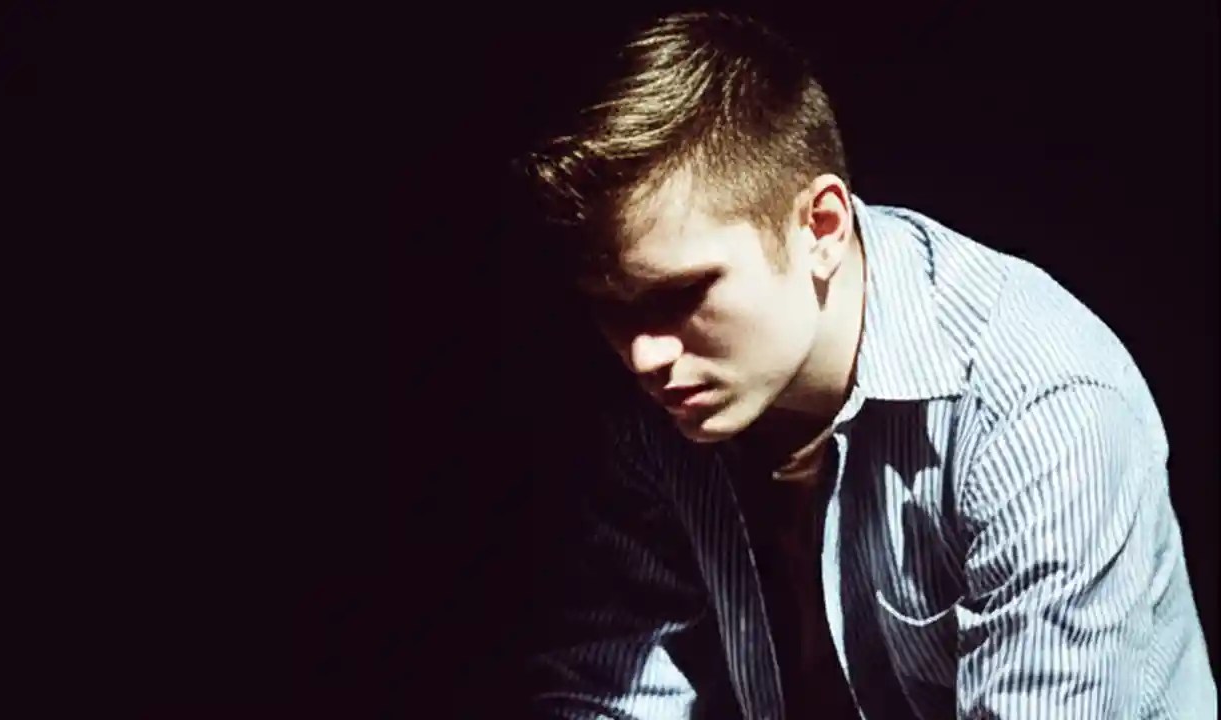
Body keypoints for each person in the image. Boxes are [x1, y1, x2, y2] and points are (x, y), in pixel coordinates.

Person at [514, 9, 1216, 720]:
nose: (644, 353)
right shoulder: (662, 412)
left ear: (820, 226)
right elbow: (612, 692)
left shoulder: (1041, 415)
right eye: (614, 307)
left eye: (685, 294)